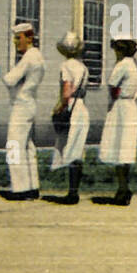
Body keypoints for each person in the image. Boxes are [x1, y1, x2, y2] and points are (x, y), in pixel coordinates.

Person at [0, 22, 45, 200]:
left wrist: (5, 74)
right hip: (30, 103)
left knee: (13, 145)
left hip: (21, 105)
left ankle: (19, 188)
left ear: (29, 37)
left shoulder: (28, 58)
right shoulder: (38, 56)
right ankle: (32, 186)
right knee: (27, 147)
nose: (17, 43)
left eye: (19, 38)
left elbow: (10, 80)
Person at [49, 31, 90, 204]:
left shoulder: (66, 66)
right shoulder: (83, 67)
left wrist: (59, 107)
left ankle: (71, 193)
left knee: (68, 145)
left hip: (71, 107)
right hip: (82, 107)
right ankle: (74, 190)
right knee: (77, 149)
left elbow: (67, 90)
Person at [99, 38, 137, 205]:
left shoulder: (122, 64)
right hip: (131, 107)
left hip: (122, 108)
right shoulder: (134, 65)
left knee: (118, 149)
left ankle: (122, 188)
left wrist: (113, 100)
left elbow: (113, 86)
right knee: (126, 150)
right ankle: (124, 187)